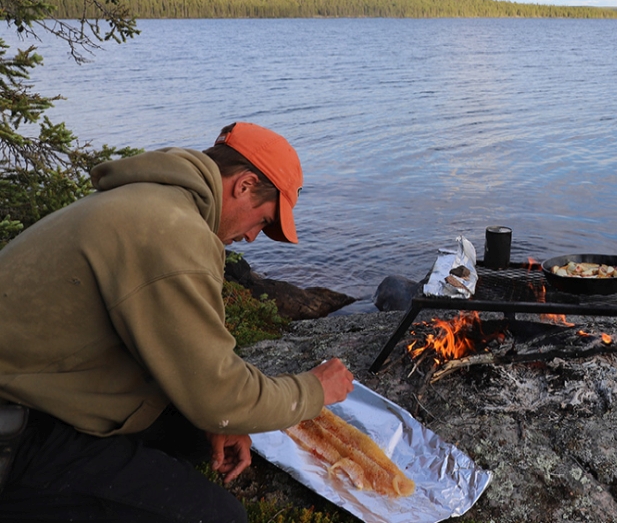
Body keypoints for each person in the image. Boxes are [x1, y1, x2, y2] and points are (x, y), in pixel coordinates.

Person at [0, 122, 354, 522]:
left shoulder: (155, 202)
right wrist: (313, 390)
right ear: (244, 184)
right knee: (219, 516)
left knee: (198, 435)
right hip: (17, 430)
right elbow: (219, 394)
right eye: (264, 220)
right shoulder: (171, 231)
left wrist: (220, 415)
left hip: (45, 388)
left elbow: (196, 363)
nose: (255, 237)